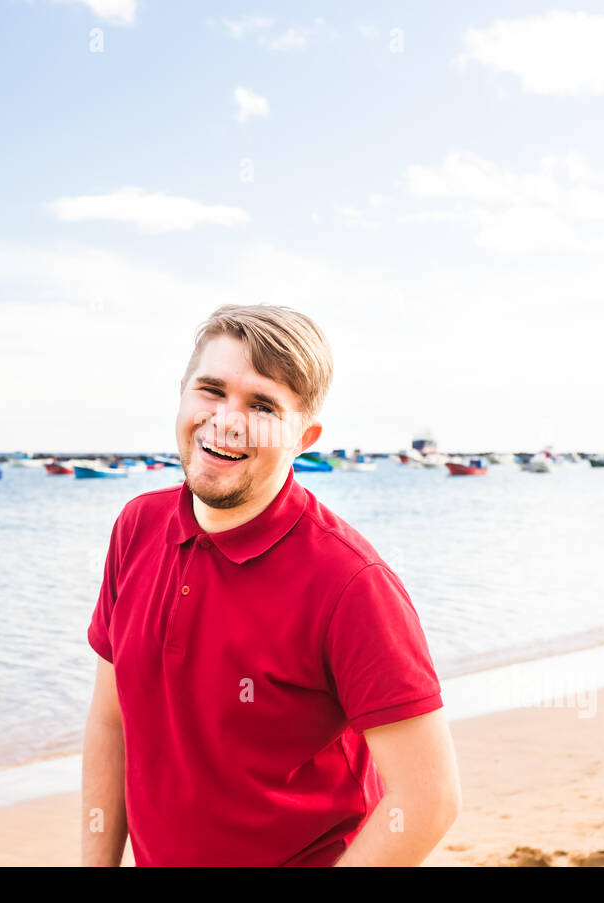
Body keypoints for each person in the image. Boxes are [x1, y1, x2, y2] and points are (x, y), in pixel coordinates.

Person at [81, 303, 460, 866]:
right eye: (212, 390)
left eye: (262, 405)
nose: (227, 420)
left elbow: (428, 799)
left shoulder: (351, 583)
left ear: (304, 435)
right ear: (182, 394)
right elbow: (111, 724)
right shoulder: (137, 527)